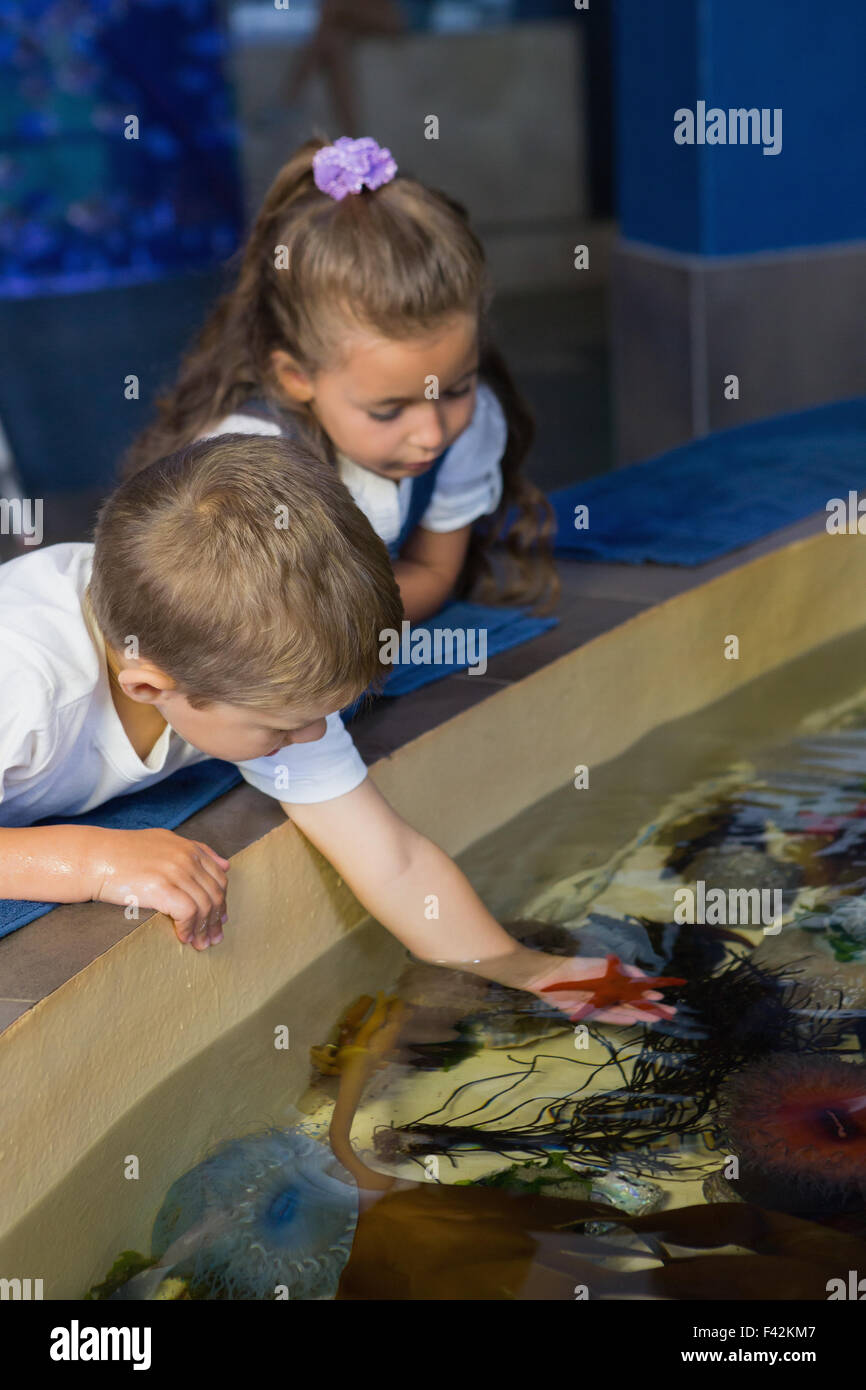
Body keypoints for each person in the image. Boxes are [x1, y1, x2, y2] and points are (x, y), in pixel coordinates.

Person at [0, 432, 668, 1026]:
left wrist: (524, 967)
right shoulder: (27, 684)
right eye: (284, 729)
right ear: (151, 687)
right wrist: (93, 860)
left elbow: (392, 858)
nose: (311, 739)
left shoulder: (242, 661)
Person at [123, 135, 559, 624]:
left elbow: (434, 572)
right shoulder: (248, 467)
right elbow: (235, 630)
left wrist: (330, 626)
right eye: (388, 410)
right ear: (295, 377)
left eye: (455, 389)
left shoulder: (468, 430)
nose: (432, 434)